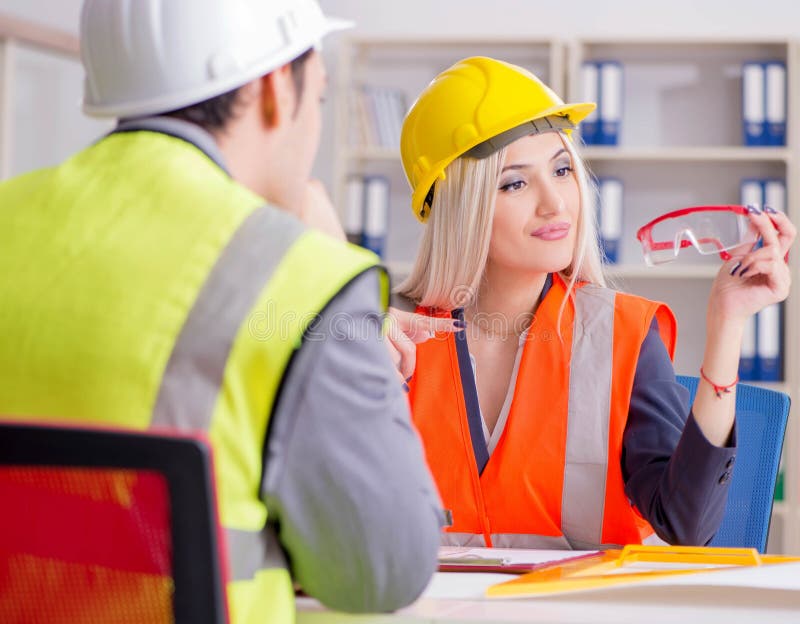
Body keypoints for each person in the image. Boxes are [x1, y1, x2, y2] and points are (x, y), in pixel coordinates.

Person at [0, 0, 450, 620]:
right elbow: (384, 570)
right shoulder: (304, 274)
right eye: (317, 99)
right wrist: (332, 265)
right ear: (274, 92)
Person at [396, 56, 795, 550]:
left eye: (562, 170)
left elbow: (687, 526)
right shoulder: (389, 335)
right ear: (460, 206)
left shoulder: (620, 333)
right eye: (515, 182)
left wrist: (728, 323)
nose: (555, 203)